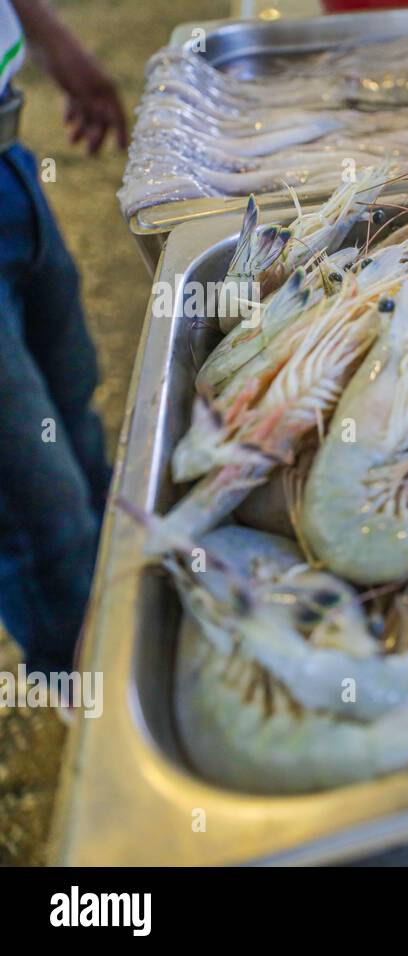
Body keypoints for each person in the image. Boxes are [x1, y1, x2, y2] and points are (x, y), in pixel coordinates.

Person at [0, 0, 127, 673]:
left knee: (72, 418)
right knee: (37, 511)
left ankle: (127, 623)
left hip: (7, 158)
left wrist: (51, 42)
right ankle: (86, 688)